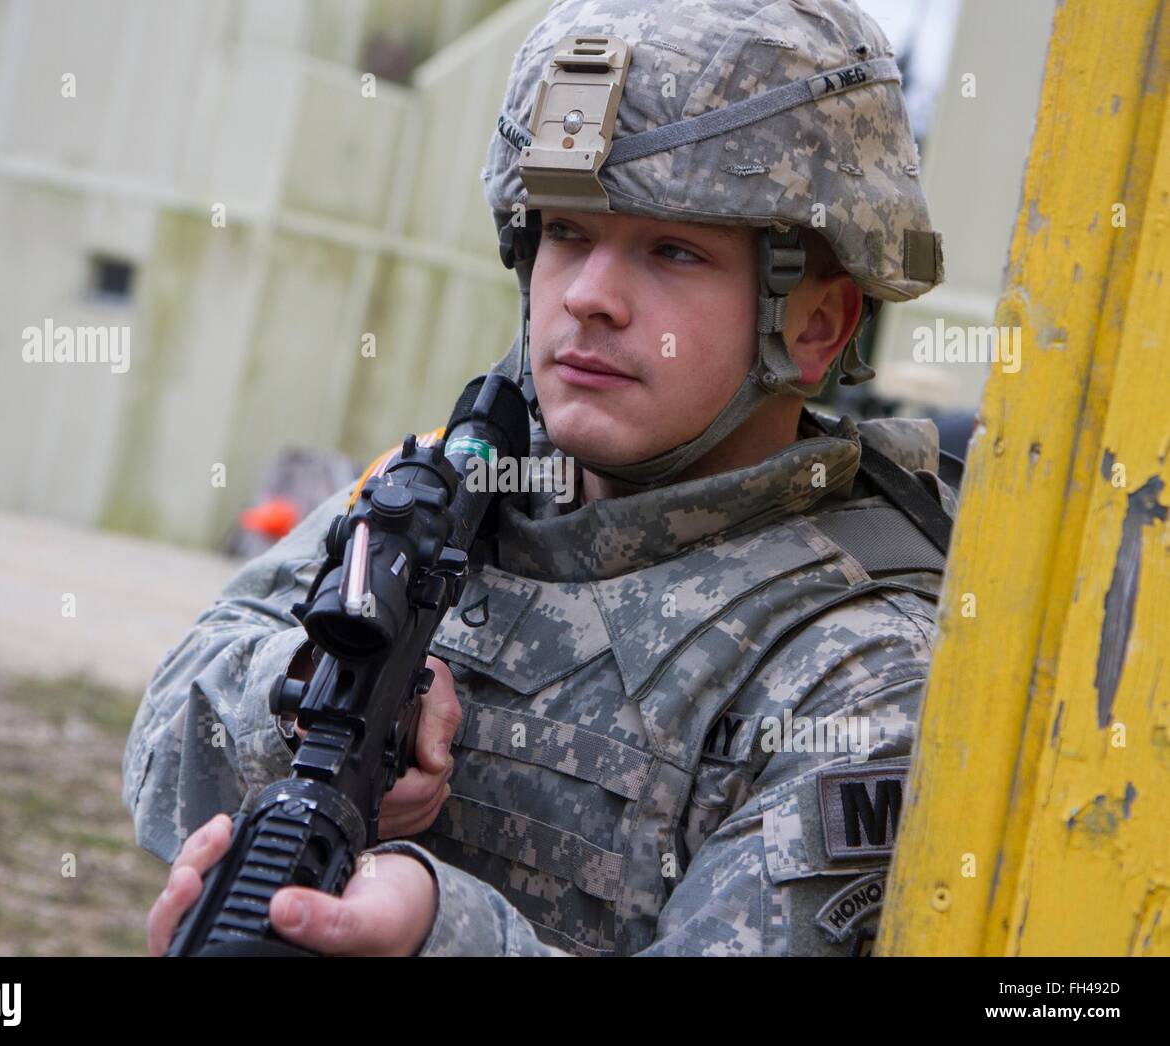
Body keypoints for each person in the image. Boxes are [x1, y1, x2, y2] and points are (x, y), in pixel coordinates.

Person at [126, 0, 956, 957]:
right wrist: (307, 706)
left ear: (813, 324)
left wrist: (437, 935)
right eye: (566, 233)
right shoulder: (449, 487)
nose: (589, 297)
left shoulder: (865, 673)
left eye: (673, 250)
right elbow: (161, 742)